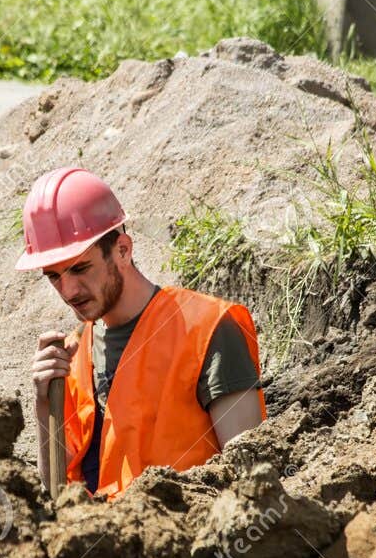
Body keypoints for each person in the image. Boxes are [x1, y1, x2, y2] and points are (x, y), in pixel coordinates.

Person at [18, 167, 265, 499]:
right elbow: (58, 498)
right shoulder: (74, 356)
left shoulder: (207, 328)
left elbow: (252, 480)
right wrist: (44, 406)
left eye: (80, 268)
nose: (68, 289)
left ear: (122, 250)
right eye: (53, 276)